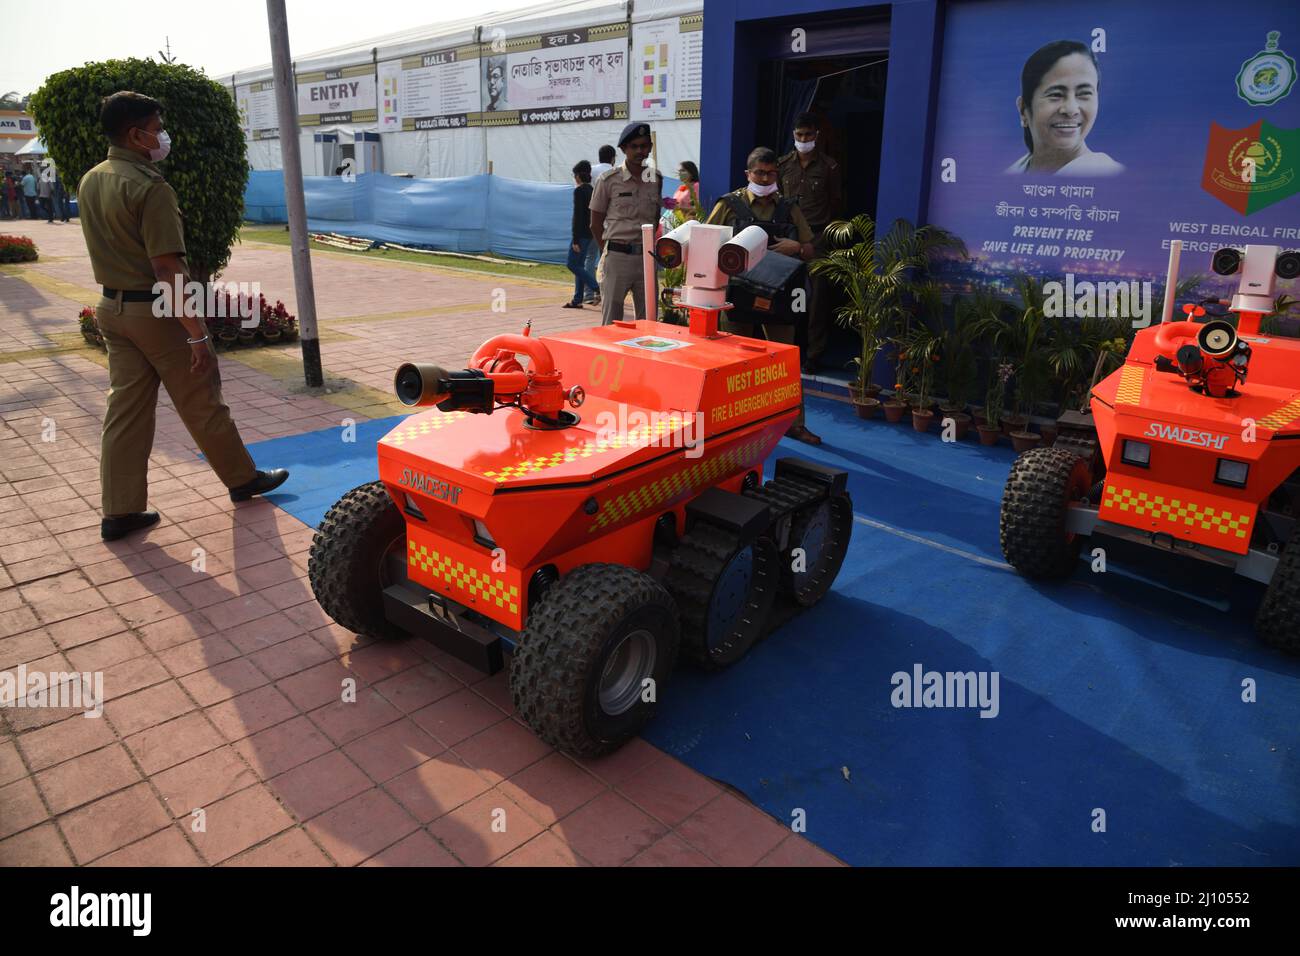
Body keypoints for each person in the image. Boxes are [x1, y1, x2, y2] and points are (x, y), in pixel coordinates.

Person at [78, 91, 288, 540]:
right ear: (136, 135)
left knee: (125, 413)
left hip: (112, 309)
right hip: (156, 312)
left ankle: (120, 512)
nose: (162, 137)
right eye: (157, 128)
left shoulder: (92, 179)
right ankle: (243, 480)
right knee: (201, 398)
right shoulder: (149, 187)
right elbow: (167, 268)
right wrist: (195, 334)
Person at [705, 146, 821, 446]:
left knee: (785, 362)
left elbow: (810, 249)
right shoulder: (729, 204)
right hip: (738, 294)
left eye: (771, 173)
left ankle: (795, 424)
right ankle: (733, 427)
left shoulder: (789, 208)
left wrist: (795, 248)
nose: (765, 177)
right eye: (760, 172)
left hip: (781, 295)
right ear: (748, 174)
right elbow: (705, 243)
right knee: (734, 363)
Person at [779, 113, 842, 373]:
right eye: (799, 135)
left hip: (818, 239)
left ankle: (814, 354)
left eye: (808, 135)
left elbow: (837, 204)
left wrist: (827, 238)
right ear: (793, 135)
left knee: (817, 299)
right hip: (789, 238)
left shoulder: (830, 168)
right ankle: (787, 348)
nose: (803, 139)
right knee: (788, 294)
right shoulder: (783, 166)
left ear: (817, 135)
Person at [1006, 40, 1123, 176]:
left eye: (1084, 94)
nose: (1071, 110)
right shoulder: (1011, 175)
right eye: (1056, 94)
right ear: (1023, 110)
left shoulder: (1111, 174)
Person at [589, 122, 663, 326]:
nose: (641, 151)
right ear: (623, 149)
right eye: (635, 147)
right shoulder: (608, 180)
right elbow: (595, 223)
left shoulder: (655, 178)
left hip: (646, 259)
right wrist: (608, 251)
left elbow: (654, 218)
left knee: (649, 322)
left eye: (645, 146)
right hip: (617, 258)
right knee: (612, 323)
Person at [563, 160, 599, 309]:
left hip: (581, 234)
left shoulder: (579, 191)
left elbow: (577, 216)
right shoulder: (592, 189)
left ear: (578, 175)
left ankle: (596, 288)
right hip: (590, 234)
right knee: (579, 265)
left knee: (571, 264)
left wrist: (575, 239)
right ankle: (577, 299)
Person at [584, 144, 617, 304]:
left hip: (591, 218)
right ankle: (606, 293)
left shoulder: (590, 170)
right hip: (610, 222)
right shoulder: (615, 172)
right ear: (613, 158)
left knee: (589, 258)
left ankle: (589, 293)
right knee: (608, 257)